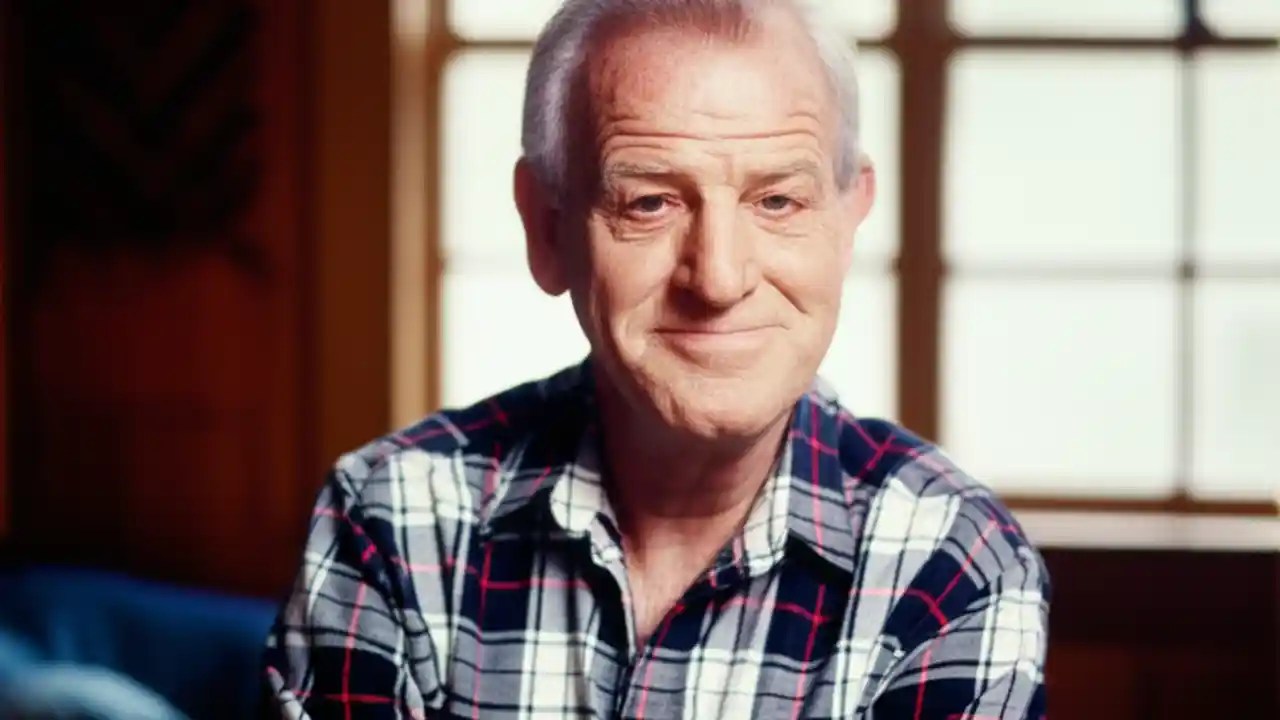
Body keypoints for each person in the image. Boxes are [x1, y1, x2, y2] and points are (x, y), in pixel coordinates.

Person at [262, 0, 1049, 717]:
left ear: (848, 221)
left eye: (778, 201)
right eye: (650, 202)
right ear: (546, 229)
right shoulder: (392, 521)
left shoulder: (955, 565)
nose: (718, 277)